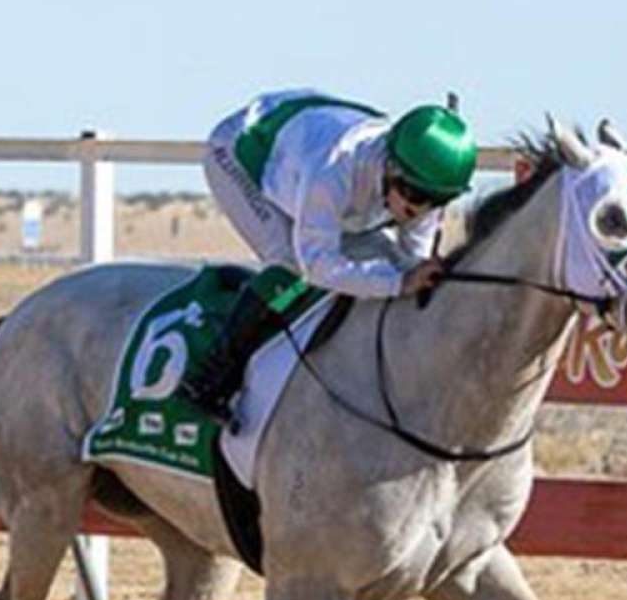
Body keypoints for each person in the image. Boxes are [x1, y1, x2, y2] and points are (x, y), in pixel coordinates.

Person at [177, 88, 478, 426]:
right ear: (391, 168)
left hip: (304, 139)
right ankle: (208, 378)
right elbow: (318, 266)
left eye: (435, 201)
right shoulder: (335, 170)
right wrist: (398, 281)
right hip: (238, 151)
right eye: (413, 194)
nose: (417, 209)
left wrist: (413, 278)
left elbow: (411, 263)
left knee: (391, 266)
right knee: (293, 271)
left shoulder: (417, 181)